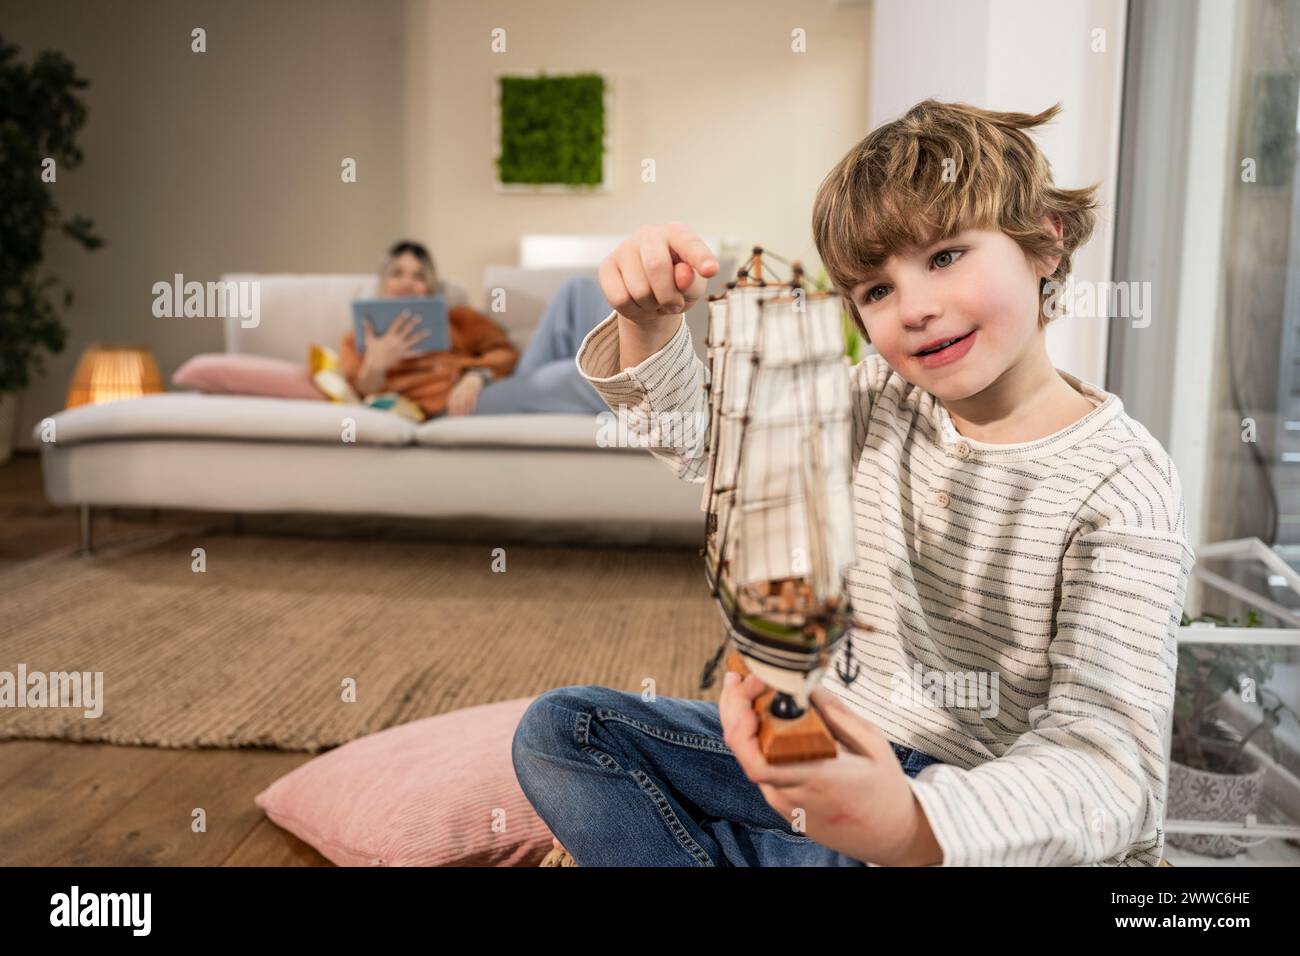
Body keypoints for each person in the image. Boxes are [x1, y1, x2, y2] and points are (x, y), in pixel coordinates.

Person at [512, 100, 1196, 866]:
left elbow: (1108, 767)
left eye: (945, 257)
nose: (917, 310)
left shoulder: (1124, 485)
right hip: (836, 753)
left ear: (1044, 238)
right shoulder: (875, 395)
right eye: (875, 291)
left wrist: (908, 822)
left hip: (982, 811)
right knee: (564, 732)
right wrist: (649, 322)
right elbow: (710, 446)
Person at [338, 241, 518, 419]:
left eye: (419, 277)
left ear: (430, 286)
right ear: (384, 282)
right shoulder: (358, 337)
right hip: (437, 408)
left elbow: (505, 351)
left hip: (474, 394)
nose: (407, 283)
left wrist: (477, 376)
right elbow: (360, 395)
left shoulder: (459, 318)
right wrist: (376, 366)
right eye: (397, 273)